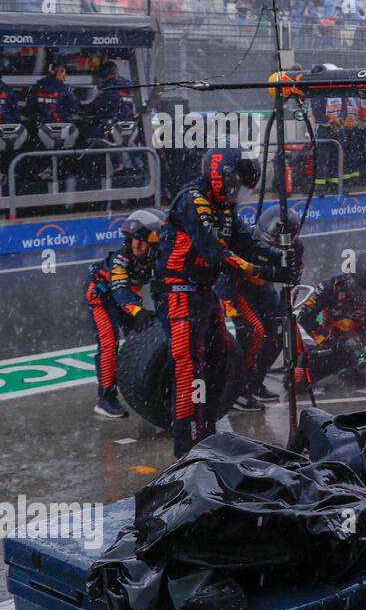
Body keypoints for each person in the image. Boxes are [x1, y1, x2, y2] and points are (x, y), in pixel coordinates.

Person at [156, 149, 296, 456]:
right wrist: (265, 270)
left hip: (203, 292)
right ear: (223, 178)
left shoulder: (223, 205)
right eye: (237, 185)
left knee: (219, 358)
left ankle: (206, 430)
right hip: (179, 290)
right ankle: (186, 447)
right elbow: (216, 253)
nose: (239, 193)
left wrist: (280, 255)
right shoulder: (195, 200)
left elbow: (244, 240)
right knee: (188, 367)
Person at [219, 205, 303, 410]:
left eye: (274, 239)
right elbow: (225, 269)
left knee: (278, 331)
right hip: (239, 287)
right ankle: (237, 390)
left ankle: (254, 382)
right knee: (254, 331)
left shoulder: (295, 249)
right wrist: (228, 301)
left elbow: (293, 281)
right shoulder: (246, 241)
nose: (268, 243)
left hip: (262, 287)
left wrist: (286, 304)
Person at [84, 208, 165, 418]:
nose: (137, 246)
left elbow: (162, 287)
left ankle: (138, 385)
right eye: (133, 240)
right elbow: (120, 291)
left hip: (128, 297)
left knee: (139, 340)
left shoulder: (157, 257)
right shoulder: (120, 259)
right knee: (109, 344)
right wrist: (137, 311)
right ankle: (105, 398)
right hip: (102, 298)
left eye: (142, 241)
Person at [294, 250, 366, 387]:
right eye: (361, 291)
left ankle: (351, 370)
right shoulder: (328, 288)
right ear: (347, 278)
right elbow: (305, 318)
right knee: (296, 381)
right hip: (330, 346)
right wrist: (329, 341)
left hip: (359, 350)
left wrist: (362, 346)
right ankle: (336, 366)